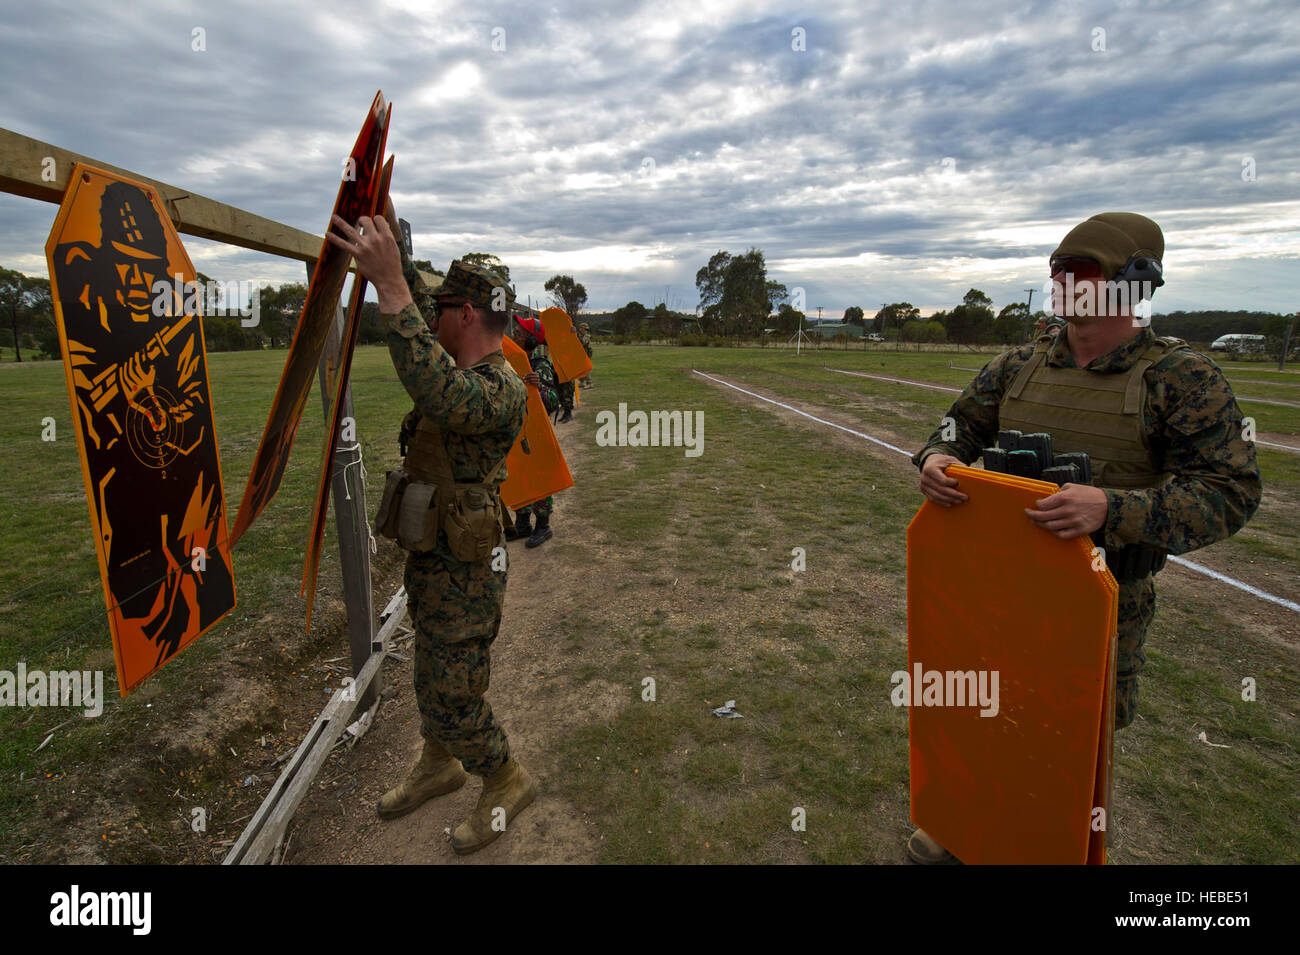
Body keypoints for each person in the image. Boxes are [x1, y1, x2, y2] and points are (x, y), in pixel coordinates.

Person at [908, 212, 1261, 864]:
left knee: (1069, 746)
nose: (1063, 281)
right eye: (1059, 268)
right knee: (987, 718)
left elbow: (1231, 492)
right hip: (1001, 592)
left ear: (1133, 284)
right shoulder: (1020, 363)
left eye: (1084, 271)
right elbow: (959, 426)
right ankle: (966, 835)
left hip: (1099, 605)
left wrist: (1114, 508)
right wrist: (936, 457)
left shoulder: (1181, 379)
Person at [325, 215, 537, 855]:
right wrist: (385, 231)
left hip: (468, 570)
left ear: (468, 315)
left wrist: (388, 286)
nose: (429, 312)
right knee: (430, 668)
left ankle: (505, 778)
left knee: (454, 690)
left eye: (442, 306)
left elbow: (438, 391)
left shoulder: (497, 389)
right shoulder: (461, 355)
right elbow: (423, 321)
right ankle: (438, 763)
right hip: (436, 555)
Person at [505, 315, 560, 547]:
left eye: (518, 332)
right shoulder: (508, 361)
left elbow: (553, 400)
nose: (514, 334)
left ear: (530, 339)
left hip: (536, 432)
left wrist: (539, 388)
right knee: (518, 474)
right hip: (516, 430)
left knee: (540, 478)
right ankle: (523, 523)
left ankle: (543, 525)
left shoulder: (540, 366)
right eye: (515, 331)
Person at [578, 322, 594, 388]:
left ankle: (589, 383)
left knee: (586, 369)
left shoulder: (587, 336)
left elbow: (583, 342)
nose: (582, 330)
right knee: (580, 369)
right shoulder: (580, 335)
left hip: (586, 354)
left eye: (583, 329)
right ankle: (582, 382)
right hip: (581, 354)